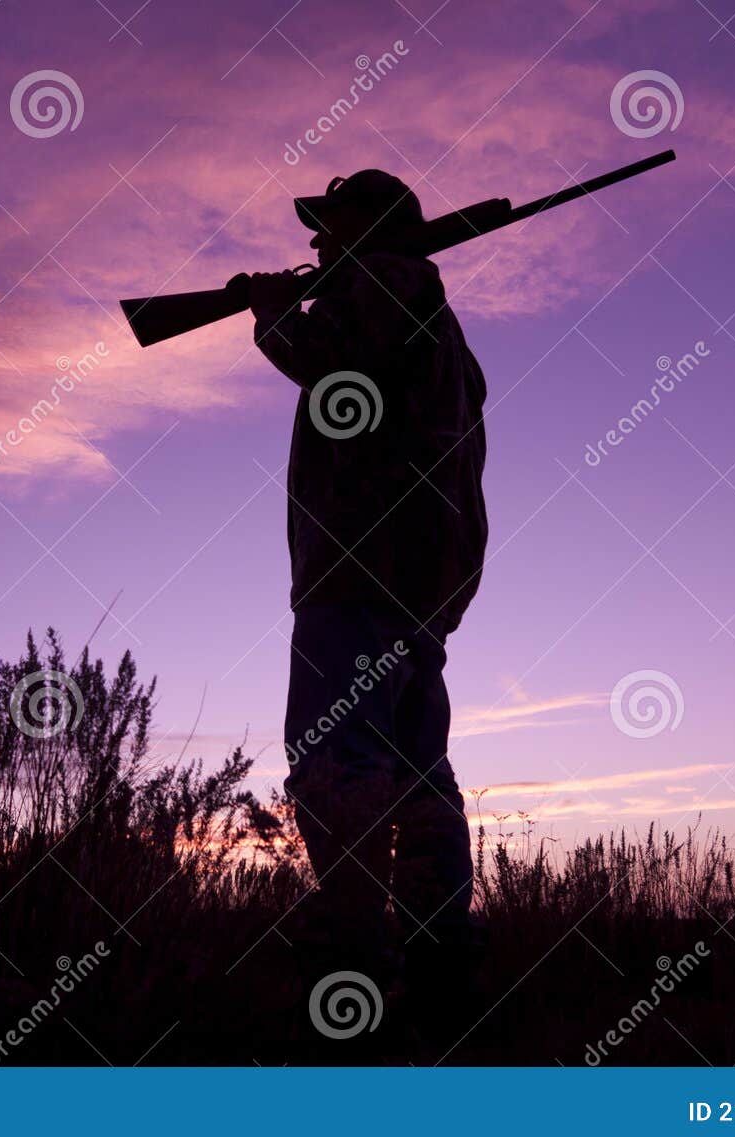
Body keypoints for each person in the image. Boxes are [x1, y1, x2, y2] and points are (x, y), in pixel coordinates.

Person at [247, 169, 489, 1031]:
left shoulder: (386, 284)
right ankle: (436, 966)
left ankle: (354, 958)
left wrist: (276, 316)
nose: (315, 243)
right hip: (417, 585)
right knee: (421, 773)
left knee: (337, 760)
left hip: (356, 573)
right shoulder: (438, 323)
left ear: (369, 230)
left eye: (330, 226)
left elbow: (331, 368)